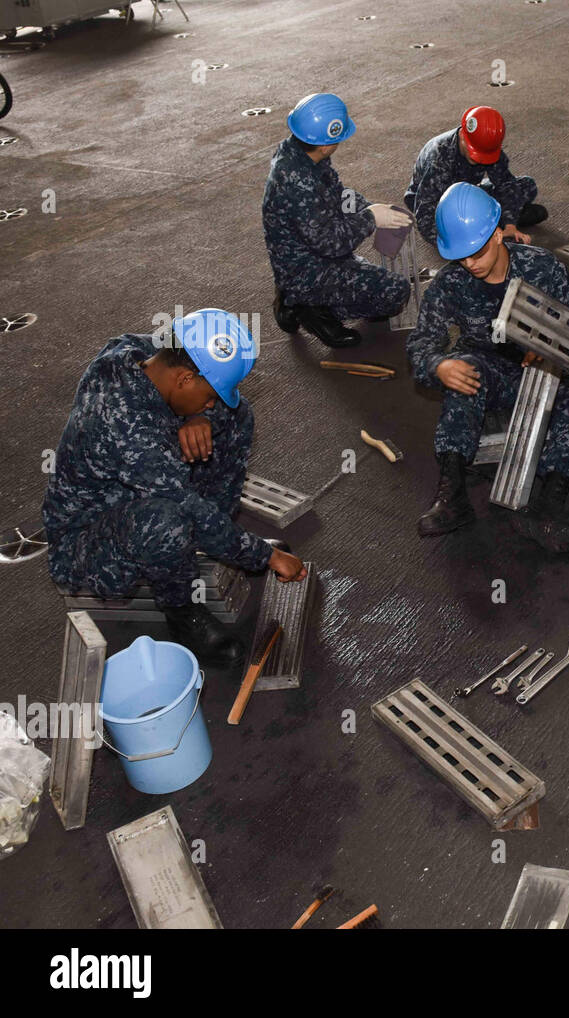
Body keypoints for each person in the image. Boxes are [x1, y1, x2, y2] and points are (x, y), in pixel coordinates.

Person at [42, 309, 308, 663]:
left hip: (136, 487)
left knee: (234, 414)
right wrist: (267, 556)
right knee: (168, 521)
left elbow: (186, 384)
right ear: (184, 380)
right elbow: (185, 507)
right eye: (209, 394)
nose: (212, 401)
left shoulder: (139, 353)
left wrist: (196, 414)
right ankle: (183, 612)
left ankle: (214, 543)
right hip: (87, 538)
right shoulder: (126, 428)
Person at [407, 184, 569, 553]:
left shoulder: (541, 266)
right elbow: (420, 343)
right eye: (459, 256)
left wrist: (550, 350)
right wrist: (438, 365)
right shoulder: (451, 283)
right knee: (464, 373)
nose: (469, 263)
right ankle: (453, 495)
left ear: (497, 234)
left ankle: (546, 508)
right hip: (487, 369)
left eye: (475, 252)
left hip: (544, 370)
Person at [262, 92, 412, 349]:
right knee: (395, 293)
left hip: (304, 254)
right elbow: (331, 243)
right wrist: (370, 218)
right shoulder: (298, 180)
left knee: (387, 291)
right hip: (308, 266)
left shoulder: (299, 151)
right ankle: (311, 309)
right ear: (325, 144)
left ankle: (296, 296)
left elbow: (335, 195)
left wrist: (368, 206)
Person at [404, 106, 548, 249]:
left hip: (468, 192)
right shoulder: (438, 159)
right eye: (476, 154)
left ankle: (494, 222)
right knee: (449, 220)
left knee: (527, 185)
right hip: (439, 202)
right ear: (462, 136)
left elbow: (505, 183)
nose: (480, 160)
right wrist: (466, 248)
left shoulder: (486, 142)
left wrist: (510, 224)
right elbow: (425, 216)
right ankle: (488, 223)